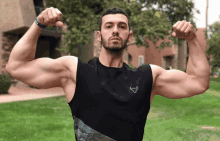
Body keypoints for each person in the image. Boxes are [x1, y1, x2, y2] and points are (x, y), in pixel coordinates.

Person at [6, 7, 210, 141]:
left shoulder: (147, 77)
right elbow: (17, 66)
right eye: (109, 26)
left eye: (122, 27)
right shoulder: (74, 71)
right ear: (99, 35)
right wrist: (38, 24)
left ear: (129, 36)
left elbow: (198, 82)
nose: (115, 31)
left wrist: (192, 39)